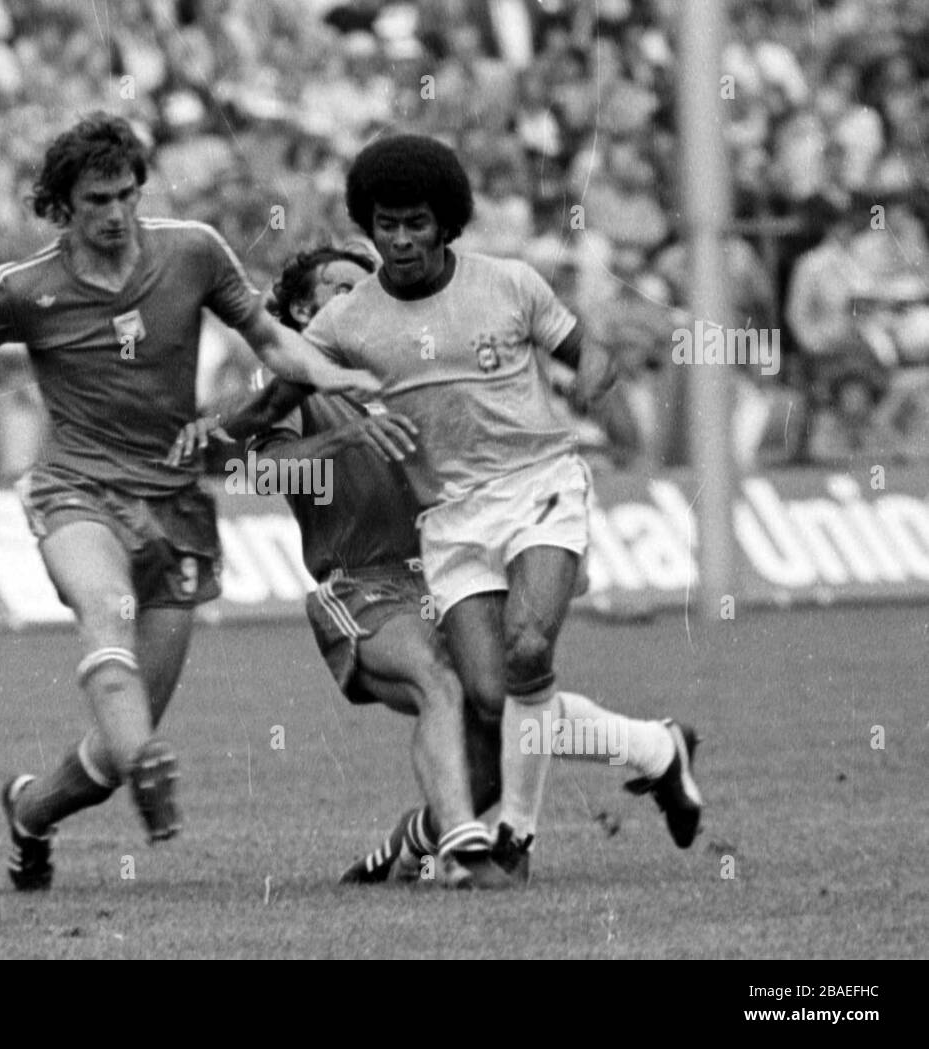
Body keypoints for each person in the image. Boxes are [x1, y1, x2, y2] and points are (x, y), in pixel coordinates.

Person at [0, 113, 381, 891]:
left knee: (115, 752)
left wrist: (332, 375)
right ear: (62, 204)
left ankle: (30, 811)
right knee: (103, 606)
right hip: (78, 489)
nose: (117, 212)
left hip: (177, 504)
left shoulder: (192, 251)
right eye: (97, 199)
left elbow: (270, 340)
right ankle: (144, 756)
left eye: (126, 193)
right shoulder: (26, 289)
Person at [173, 242, 704, 888]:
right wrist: (344, 437)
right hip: (362, 582)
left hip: (449, 564)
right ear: (302, 312)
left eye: (365, 286)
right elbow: (252, 468)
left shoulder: (406, 363)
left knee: (501, 702)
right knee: (440, 679)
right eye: (341, 289)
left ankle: (430, 834)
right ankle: (461, 849)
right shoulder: (291, 379)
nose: (360, 298)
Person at [292, 135, 703, 883]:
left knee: (511, 670)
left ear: (445, 222)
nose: (397, 244)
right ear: (299, 316)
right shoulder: (322, 360)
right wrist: (322, 435)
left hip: (521, 498)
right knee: (477, 693)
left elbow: (591, 357)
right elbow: (249, 464)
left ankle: (486, 838)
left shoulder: (501, 287)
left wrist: (596, 385)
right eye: (384, 227)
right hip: (383, 574)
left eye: (416, 223)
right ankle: (648, 751)